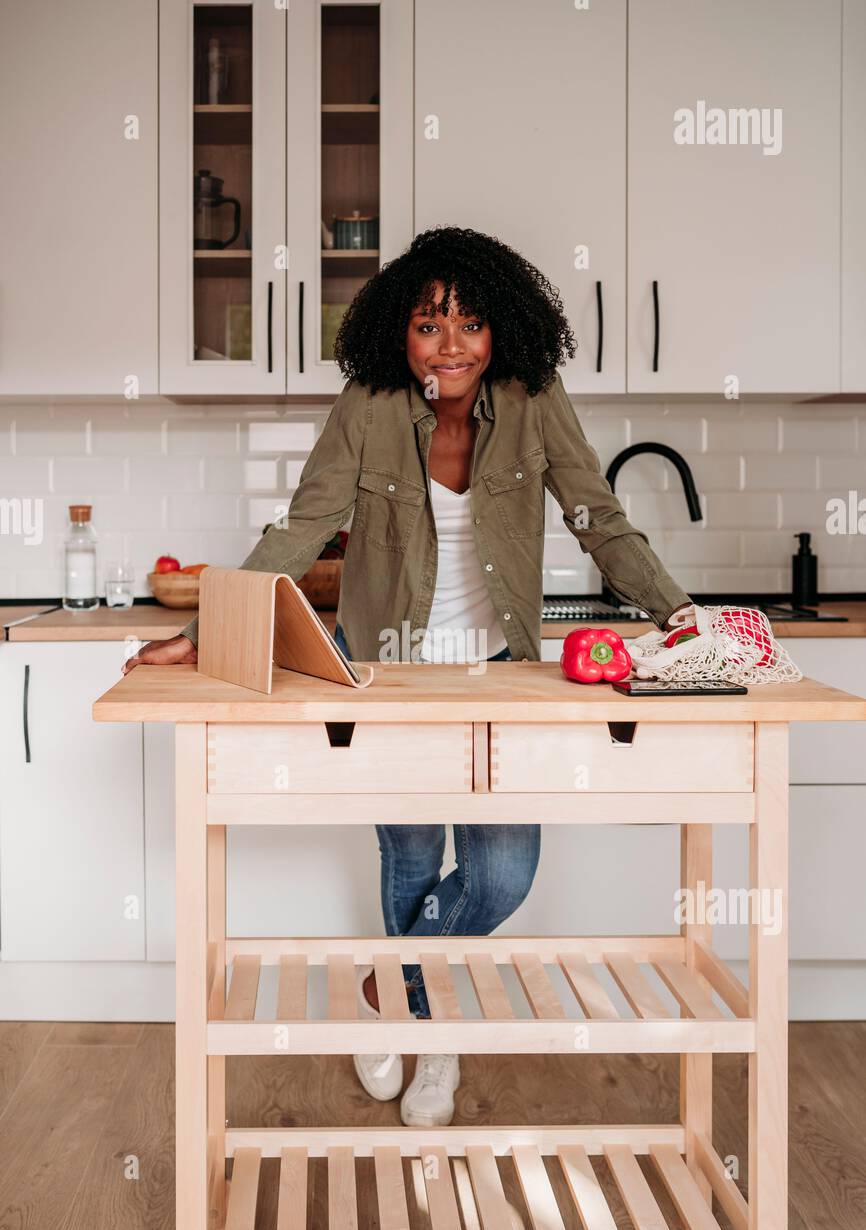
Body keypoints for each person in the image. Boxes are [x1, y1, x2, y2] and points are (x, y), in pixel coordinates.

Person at [125, 226, 695, 1126]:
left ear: (501, 329)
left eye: (470, 322)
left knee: (504, 870)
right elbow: (300, 529)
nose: (453, 343)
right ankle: (436, 1042)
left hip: (500, 672)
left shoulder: (535, 399)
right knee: (415, 855)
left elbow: (601, 521)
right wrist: (206, 631)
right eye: (430, 324)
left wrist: (685, 618)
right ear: (401, 335)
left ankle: (390, 985)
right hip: (386, 676)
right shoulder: (369, 406)